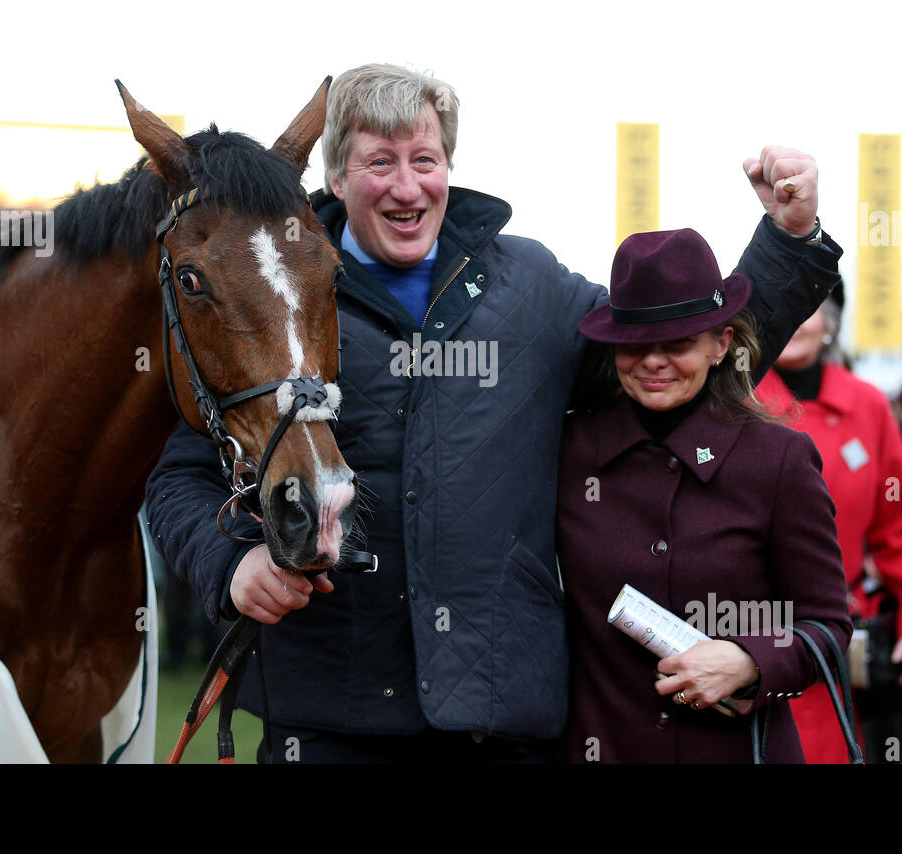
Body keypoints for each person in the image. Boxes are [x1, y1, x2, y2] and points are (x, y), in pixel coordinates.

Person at [145, 63, 844, 763]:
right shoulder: (277, 303)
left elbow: (680, 348)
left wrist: (789, 238)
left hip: (503, 722)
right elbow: (178, 477)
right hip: (330, 719)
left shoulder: (533, 287)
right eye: (378, 162)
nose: (406, 185)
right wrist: (230, 565)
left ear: (450, 167)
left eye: (425, 159)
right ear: (335, 179)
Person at [556, 228, 851, 764]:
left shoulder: (779, 460)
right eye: (636, 343)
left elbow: (828, 627)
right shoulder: (568, 452)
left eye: (677, 344)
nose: (653, 362)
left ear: (722, 344)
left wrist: (750, 661)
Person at [755, 283, 902, 763]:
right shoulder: (737, 402)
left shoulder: (869, 407)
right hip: (754, 640)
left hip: (842, 645)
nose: (795, 321)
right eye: (784, 307)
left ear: (831, 323)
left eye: (809, 310)